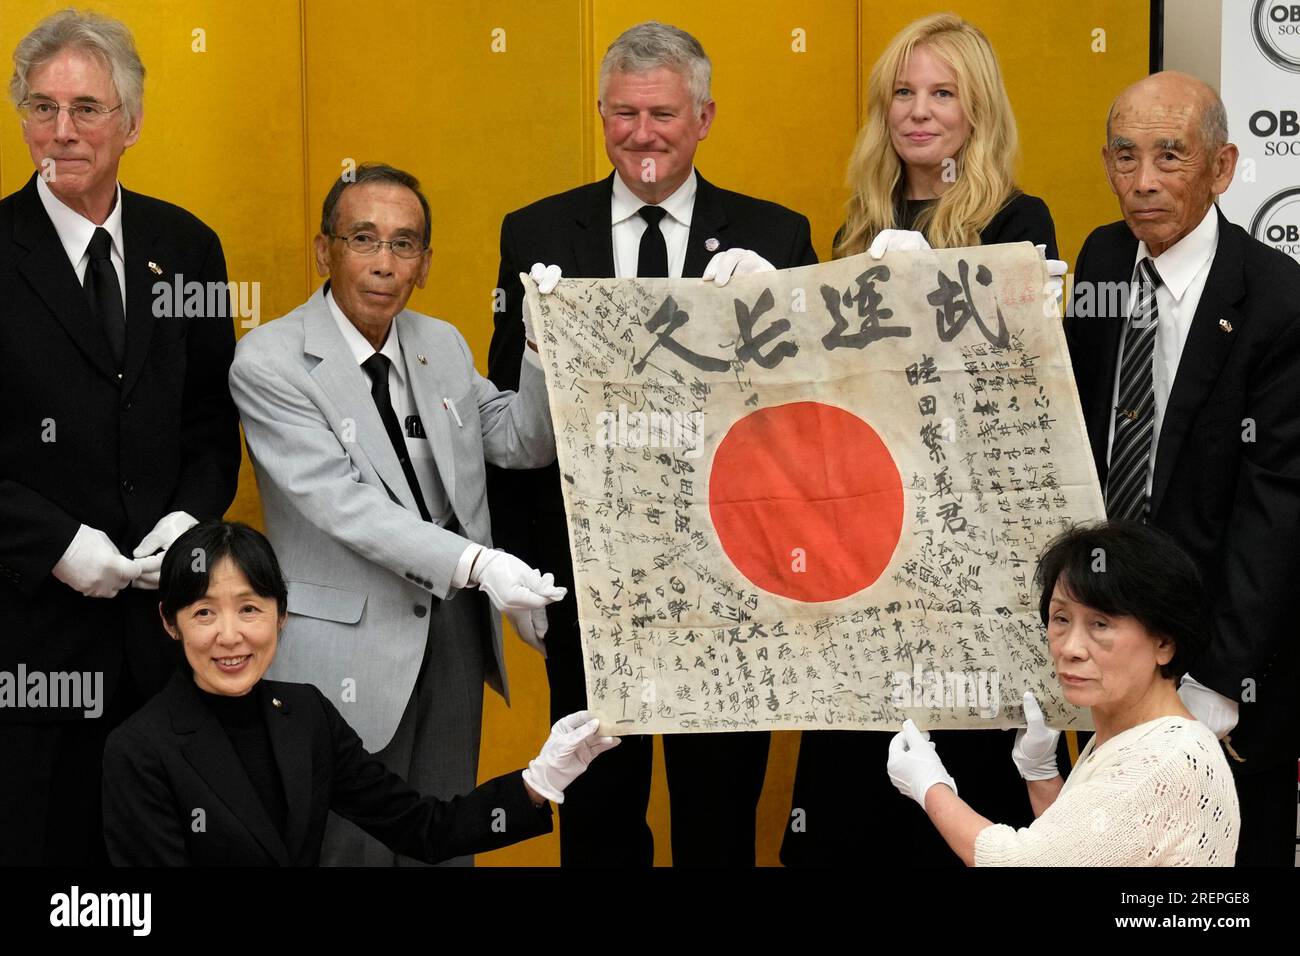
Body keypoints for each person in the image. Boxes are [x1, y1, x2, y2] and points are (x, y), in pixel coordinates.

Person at [486, 20, 817, 867]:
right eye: (623, 114)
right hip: (593, 585)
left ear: (704, 117)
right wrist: (525, 572)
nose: (642, 135)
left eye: (663, 114)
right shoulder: (536, 234)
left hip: (733, 584)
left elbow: (809, 422)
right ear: (602, 114)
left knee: (719, 816)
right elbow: (516, 427)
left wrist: (776, 316)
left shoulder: (776, 237)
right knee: (598, 817)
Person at [782, 12, 1065, 867]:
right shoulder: (855, 224)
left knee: (964, 789)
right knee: (855, 802)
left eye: (942, 92)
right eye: (903, 92)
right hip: (865, 552)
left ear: (977, 110)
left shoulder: (1022, 215)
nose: (918, 111)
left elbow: (1019, 395)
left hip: (977, 559)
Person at [228, 163, 564, 866]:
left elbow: (519, 439)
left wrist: (540, 347)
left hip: (452, 638)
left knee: (447, 843)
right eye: (364, 239)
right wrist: (478, 564)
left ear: (426, 264)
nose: (384, 263)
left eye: (404, 244)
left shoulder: (440, 343)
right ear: (325, 251)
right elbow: (341, 503)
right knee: (348, 848)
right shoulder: (269, 361)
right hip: (343, 650)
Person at [0, 9, 239, 865]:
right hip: (29, 646)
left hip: (166, 643)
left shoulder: (189, 247)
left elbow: (214, 421)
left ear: (131, 123)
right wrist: (56, 543)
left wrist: (189, 516)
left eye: (86, 109)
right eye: (40, 108)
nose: (60, 132)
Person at [1064, 71, 1300, 866]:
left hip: (1222, 679)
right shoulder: (1100, 259)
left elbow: (1278, 510)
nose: (1144, 182)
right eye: (1125, 157)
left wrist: (1214, 688)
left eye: (1171, 155)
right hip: (1109, 658)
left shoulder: (1278, 299)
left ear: (1223, 167)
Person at [102, 521, 616, 866]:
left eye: (250, 609)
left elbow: (423, 828)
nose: (230, 635)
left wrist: (541, 779)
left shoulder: (304, 715)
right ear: (171, 623)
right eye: (204, 613)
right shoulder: (139, 750)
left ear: (282, 616)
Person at [886, 522, 1239, 865]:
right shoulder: (1136, 737)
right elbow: (1082, 849)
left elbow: (1019, 863)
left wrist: (930, 787)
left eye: (1100, 624)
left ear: (1164, 643)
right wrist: (1041, 773)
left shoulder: (1163, 760)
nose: (1070, 648)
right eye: (1060, 619)